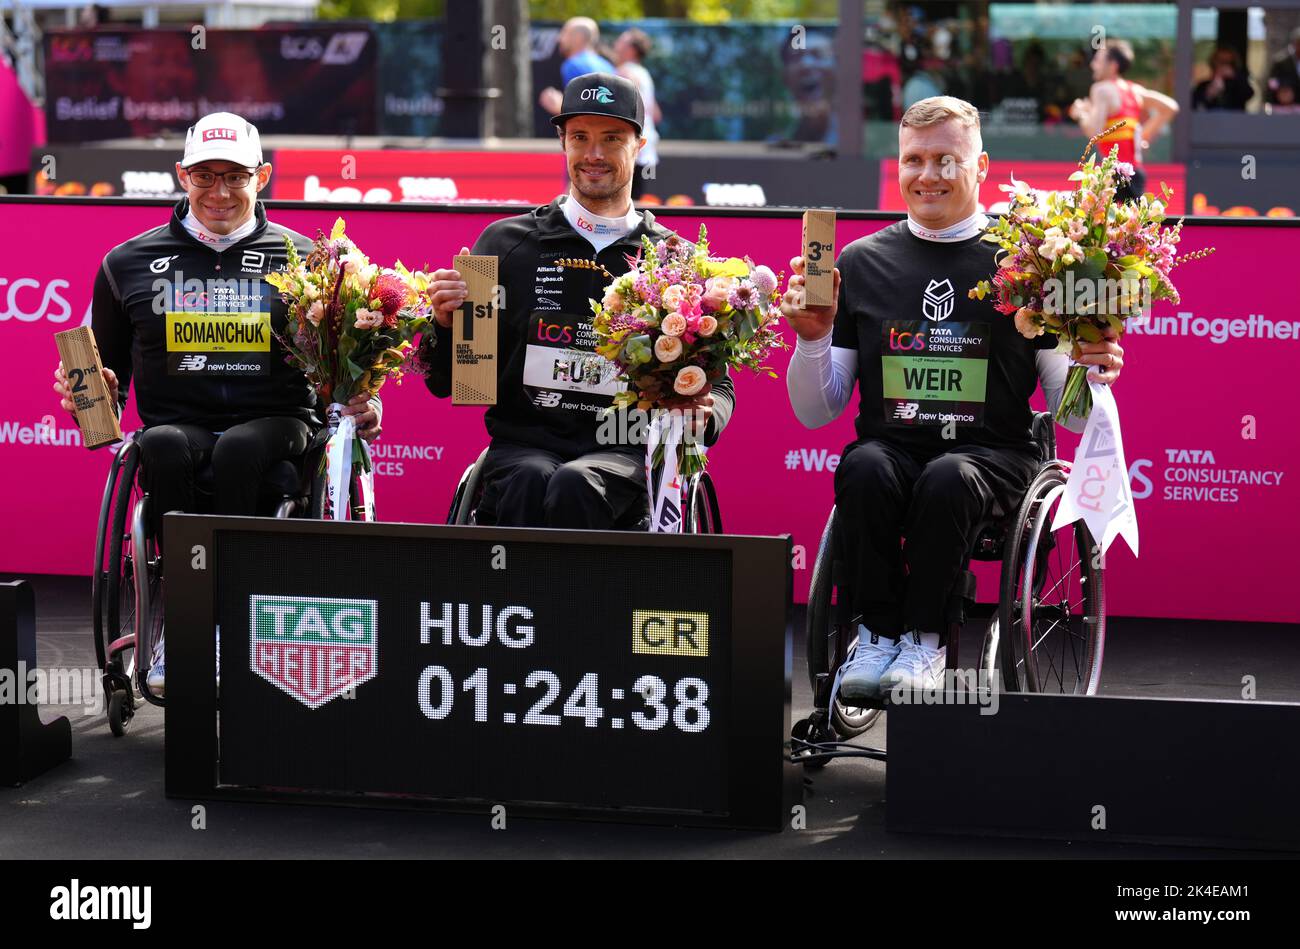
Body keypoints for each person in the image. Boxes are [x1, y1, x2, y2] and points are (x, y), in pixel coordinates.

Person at [781, 96, 1124, 698]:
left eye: (947, 160)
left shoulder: (1028, 263)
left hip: (993, 461)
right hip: (892, 452)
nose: (928, 175)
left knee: (947, 477)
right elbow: (817, 411)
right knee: (861, 465)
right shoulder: (858, 262)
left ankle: (925, 641)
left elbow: (1066, 415)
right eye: (914, 160)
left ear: (982, 167)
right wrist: (811, 340)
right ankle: (879, 635)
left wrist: (1090, 370)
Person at [52, 112, 381, 695]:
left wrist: (364, 402)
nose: (220, 193)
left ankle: (235, 620)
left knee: (240, 449)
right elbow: (106, 385)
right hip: (180, 424)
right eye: (205, 177)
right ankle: (182, 624)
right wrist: (88, 395)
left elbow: (347, 370)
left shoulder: (314, 259)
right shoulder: (124, 262)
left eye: (235, 177)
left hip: (278, 424)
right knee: (162, 444)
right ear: (181, 175)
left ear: (264, 176)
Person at [419, 73, 734, 529]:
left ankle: (571, 602)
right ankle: (515, 603)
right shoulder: (504, 243)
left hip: (627, 451)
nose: (594, 154)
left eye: (612, 139)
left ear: (640, 144)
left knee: (576, 484)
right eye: (580, 137)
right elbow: (456, 381)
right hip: (522, 449)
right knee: (531, 478)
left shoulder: (676, 259)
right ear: (561, 141)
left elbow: (719, 385)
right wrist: (445, 325)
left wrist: (705, 411)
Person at [1068, 39, 1179, 202]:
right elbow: (1171, 107)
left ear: (1113, 65)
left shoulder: (1101, 89)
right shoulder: (1134, 91)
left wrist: (1080, 113)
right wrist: (1143, 137)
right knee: (1135, 225)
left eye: (1098, 60)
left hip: (1113, 175)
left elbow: (1094, 133)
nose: (1093, 65)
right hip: (1136, 174)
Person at [614, 28, 660, 202]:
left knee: (627, 200)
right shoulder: (645, 73)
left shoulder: (626, 72)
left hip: (632, 145)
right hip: (644, 145)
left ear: (631, 49)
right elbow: (656, 114)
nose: (616, 45)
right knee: (635, 199)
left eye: (621, 41)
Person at [538, 17, 616, 119]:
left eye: (564, 32)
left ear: (578, 37)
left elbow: (587, 111)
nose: (559, 38)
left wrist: (560, 107)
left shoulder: (573, 65)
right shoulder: (608, 66)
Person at [1192, 46, 1255, 111]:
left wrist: (1234, 76)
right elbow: (1194, 107)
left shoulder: (1237, 84)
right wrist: (1209, 94)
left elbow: (1249, 94)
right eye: (1221, 61)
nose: (1224, 66)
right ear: (1213, 63)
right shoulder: (1203, 86)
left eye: (1228, 62)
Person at [1266, 28, 1300, 108]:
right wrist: (1282, 88)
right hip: (1284, 108)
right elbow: (1272, 83)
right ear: (1295, 44)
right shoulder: (1280, 62)